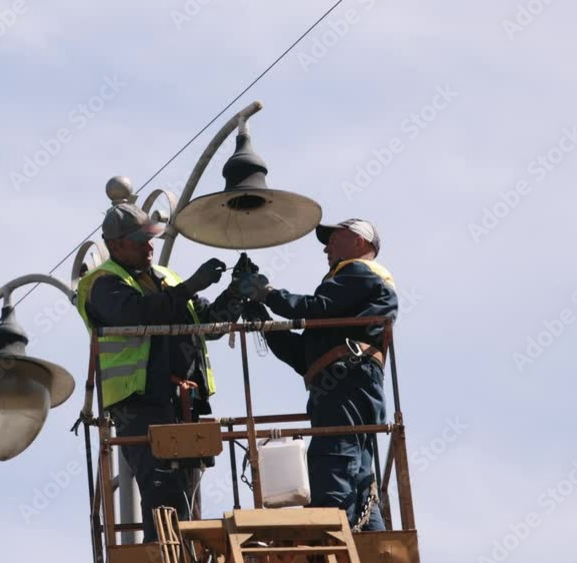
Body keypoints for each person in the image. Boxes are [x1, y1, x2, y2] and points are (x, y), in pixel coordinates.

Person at [75, 202, 244, 542]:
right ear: (117, 245)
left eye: (151, 239)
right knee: (161, 491)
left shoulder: (167, 278)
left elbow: (210, 326)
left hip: (186, 401)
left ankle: (183, 552)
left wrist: (237, 293)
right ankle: (163, 554)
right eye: (141, 241)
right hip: (140, 404)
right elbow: (138, 315)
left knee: (188, 495)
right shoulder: (101, 284)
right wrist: (191, 286)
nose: (150, 246)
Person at [238, 218, 397, 531]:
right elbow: (303, 357)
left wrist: (267, 293)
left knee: (334, 462)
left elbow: (315, 307)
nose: (326, 247)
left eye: (334, 238)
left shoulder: (360, 272)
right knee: (358, 478)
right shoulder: (346, 300)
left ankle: (329, 539)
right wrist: (266, 323)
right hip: (342, 383)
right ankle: (371, 543)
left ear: (359, 242)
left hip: (347, 382)